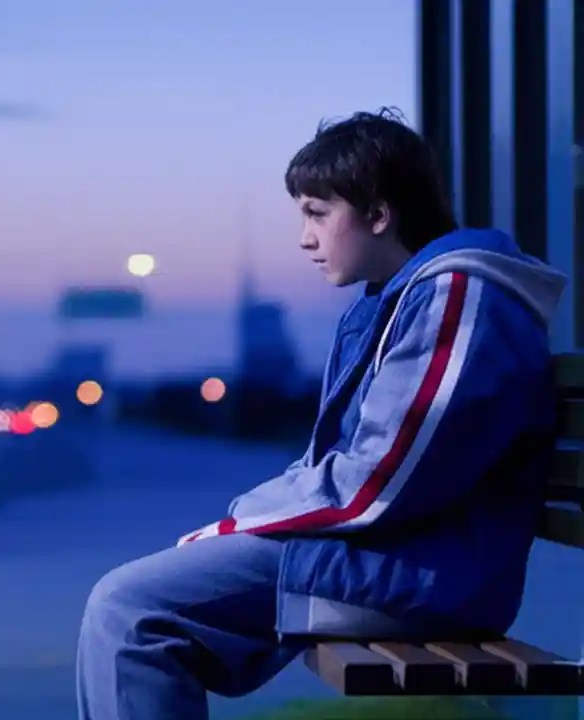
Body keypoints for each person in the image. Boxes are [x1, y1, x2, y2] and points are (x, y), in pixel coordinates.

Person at [75, 108, 569, 720]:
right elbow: (338, 464)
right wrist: (245, 522)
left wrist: (236, 528)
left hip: (429, 574)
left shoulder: (459, 297)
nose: (305, 237)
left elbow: (375, 484)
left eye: (317, 213)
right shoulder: (395, 302)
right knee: (132, 604)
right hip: (396, 553)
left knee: (129, 610)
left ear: (379, 214)